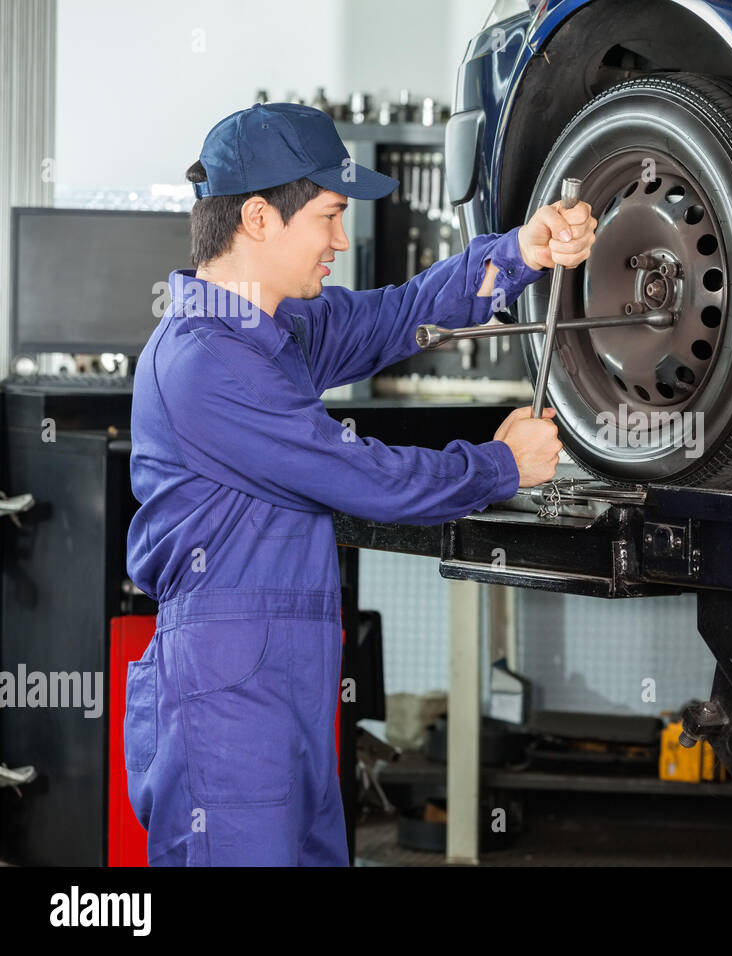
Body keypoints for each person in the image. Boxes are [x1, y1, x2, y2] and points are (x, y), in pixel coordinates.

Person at [122, 102, 596, 865]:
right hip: (227, 691)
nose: (342, 241)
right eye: (331, 217)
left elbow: (399, 314)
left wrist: (520, 252)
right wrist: (503, 464)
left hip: (286, 680)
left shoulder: (274, 331)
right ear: (258, 218)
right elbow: (360, 476)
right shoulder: (206, 362)